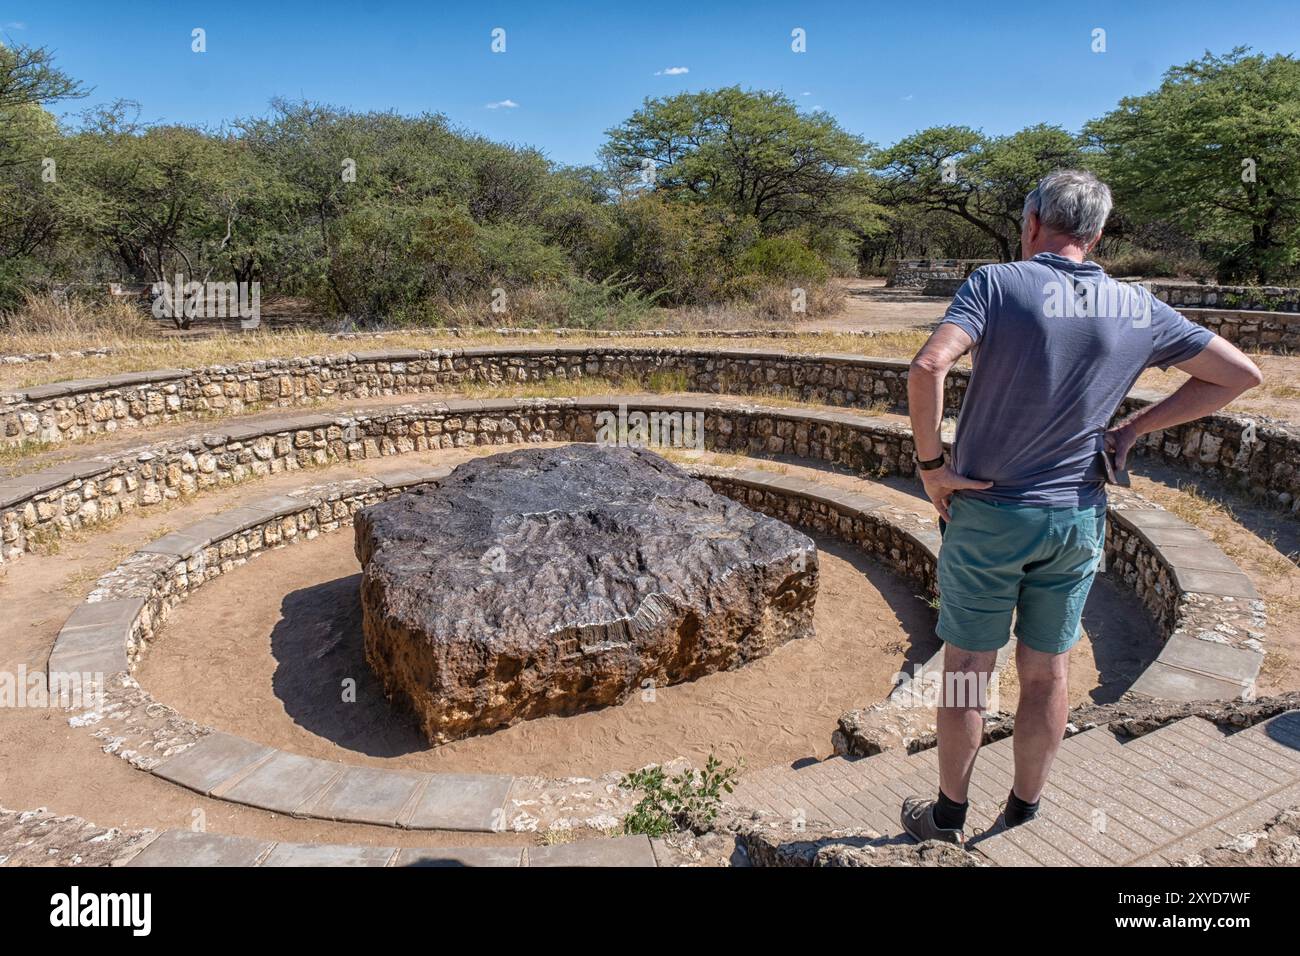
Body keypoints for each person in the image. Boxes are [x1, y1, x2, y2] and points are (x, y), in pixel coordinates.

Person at [900, 168, 1263, 844]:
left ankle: (946, 815)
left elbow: (927, 367)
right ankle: (1023, 811)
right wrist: (1134, 429)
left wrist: (931, 468)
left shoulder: (996, 283)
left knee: (967, 674)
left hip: (989, 513)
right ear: (1095, 236)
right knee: (1048, 673)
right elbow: (1241, 375)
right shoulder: (1137, 307)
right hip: (1075, 516)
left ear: (1032, 221)